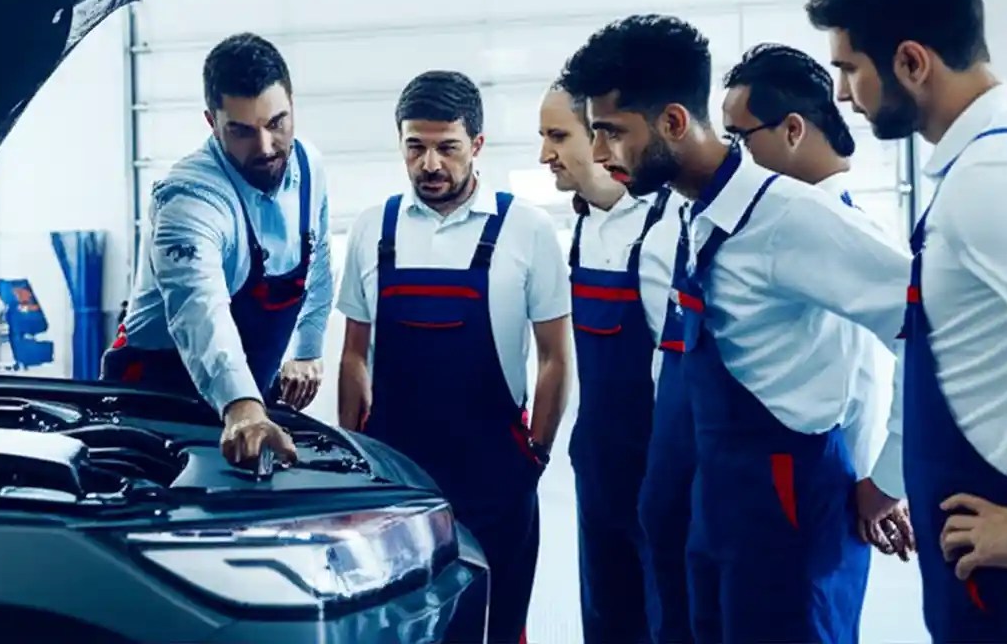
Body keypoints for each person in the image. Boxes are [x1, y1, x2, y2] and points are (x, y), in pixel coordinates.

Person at [558, 13, 912, 643]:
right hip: (715, 511)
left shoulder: (789, 217)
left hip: (788, 510)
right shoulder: (695, 222)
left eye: (612, 133)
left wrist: (891, 474)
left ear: (672, 122)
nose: (601, 152)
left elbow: (929, 322)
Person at [808, 0, 1007, 640]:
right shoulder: (970, 173)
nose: (840, 92)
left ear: (911, 62)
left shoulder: (990, 182)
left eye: (848, 68)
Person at [337, 70, 571, 644]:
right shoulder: (374, 228)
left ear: (478, 145)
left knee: (497, 624)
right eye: (415, 147)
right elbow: (352, 354)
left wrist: (533, 455)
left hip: (497, 475)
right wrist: (356, 453)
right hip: (398, 479)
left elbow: (555, 357)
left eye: (448, 147)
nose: (430, 164)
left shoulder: (526, 229)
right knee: (401, 627)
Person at [102, 32, 332, 466]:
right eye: (242, 131)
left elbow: (317, 262)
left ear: (293, 105)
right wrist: (241, 405)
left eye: (276, 123)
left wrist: (308, 346)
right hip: (156, 401)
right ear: (212, 122)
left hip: (248, 397)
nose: (265, 147)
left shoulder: (308, 165)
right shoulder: (188, 198)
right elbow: (199, 310)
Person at [721, 42, 901, 555]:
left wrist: (885, 480)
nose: (733, 159)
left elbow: (923, 339)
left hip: (819, 490)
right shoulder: (809, 215)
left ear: (793, 130)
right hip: (812, 485)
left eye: (741, 139)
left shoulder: (825, 225)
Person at [539, 79, 685, 642]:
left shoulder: (668, 228)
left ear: (600, 138)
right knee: (604, 621)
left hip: (657, 469)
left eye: (558, 136)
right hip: (598, 468)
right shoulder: (580, 225)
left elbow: (676, 376)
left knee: (665, 621)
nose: (545, 153)